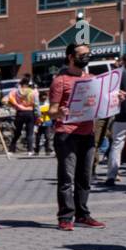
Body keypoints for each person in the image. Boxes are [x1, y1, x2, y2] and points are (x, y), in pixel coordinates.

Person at [50, 43, 106, 230]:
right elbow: (51, 111)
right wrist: (60, 112)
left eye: (88, 54)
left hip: (87, 133)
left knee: (84, 177)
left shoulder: (92, 79)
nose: (86, 57)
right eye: (82, 55)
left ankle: (83, 214)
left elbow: (101, 104)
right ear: (70, 57)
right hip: (66, 135)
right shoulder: (60, 81)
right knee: (67, 177)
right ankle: (65, 217)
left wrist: (116, 98)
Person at [104, 52, 126, 185]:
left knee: (116, 146)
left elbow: (110, 92)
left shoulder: (120, 75)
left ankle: (112, 175)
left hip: (122, 115)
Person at [6, 75, 36, 155]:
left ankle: (11, 150)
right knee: (29, 133)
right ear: (28, 84)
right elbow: (36, 104)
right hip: (30, 112)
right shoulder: (33, 91)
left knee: (17, 132)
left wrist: (15, 105)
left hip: (20, 113)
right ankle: (30, 150)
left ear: (21, 84)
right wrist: (38, 115)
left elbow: (8, 99)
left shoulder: (15, 91)